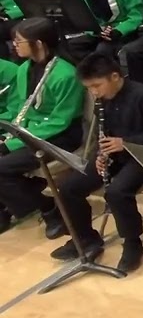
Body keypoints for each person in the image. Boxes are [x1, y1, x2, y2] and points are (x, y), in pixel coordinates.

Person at [57, 53, 143, 272]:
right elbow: (105, 133)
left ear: (115, 76)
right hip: (115, 154)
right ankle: (85, 238)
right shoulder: (103, 100)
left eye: (97, 85)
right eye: (89, 88)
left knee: (117, 192)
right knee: (69, 187)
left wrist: (126, 143)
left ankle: (132, 243)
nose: (94, 92)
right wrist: (101, 155)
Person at [0, 18, 83, 237]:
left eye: (19, 41)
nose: (14, 45)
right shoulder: (23, 69)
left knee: (1, 168)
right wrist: (10, 134)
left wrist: (15, 142)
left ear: (38, 43)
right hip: (30, 130)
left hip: (60, 135)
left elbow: (60, 121)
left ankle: (48, 208)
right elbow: (22, 108)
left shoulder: (65, 74)